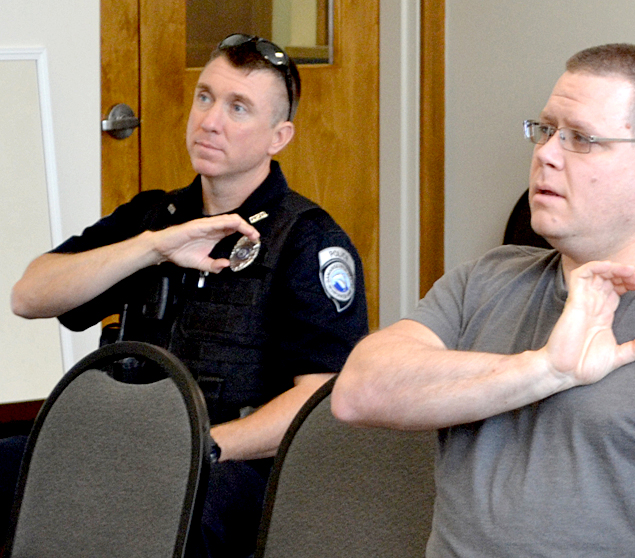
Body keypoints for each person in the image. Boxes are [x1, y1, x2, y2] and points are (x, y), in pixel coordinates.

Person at [331, 43, 635, 558]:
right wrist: (546, 371)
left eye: (582, 139)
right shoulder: (488, 279)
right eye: (547, 129)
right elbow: (358, 392)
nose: (546, 154)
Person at [7, 33, 368, 558]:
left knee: (164, 513)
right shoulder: (155, 218)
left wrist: (201, 447)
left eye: (238, 107)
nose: (210, 120)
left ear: (278, 136)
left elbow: (323, 396)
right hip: (124, 443)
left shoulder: (309, 242)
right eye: (204, 97)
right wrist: (151, 248)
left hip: (234, 464)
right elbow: (29, 294)